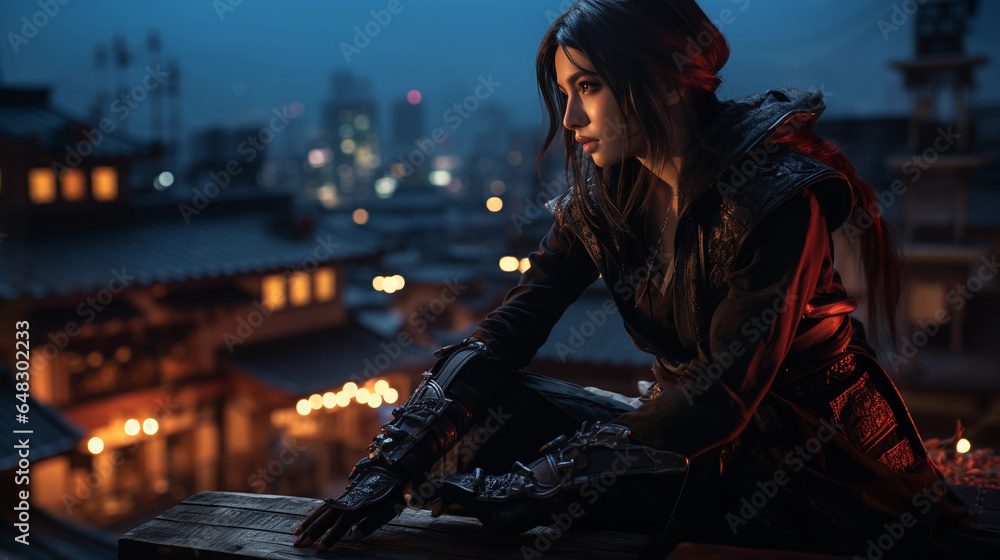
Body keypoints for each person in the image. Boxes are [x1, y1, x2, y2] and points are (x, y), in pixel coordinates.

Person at [293, 0, 998, 557]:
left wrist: (531, 485)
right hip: (686, 440)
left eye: (590, 87)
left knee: (521, 481)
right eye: (566, 92)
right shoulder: (602, 202)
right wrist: (391, 465)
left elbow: (720, 394)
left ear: (663, 80)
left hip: (815, 460)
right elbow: (509, 330)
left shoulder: (779, 195)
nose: (569, 119)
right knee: (482, 414)